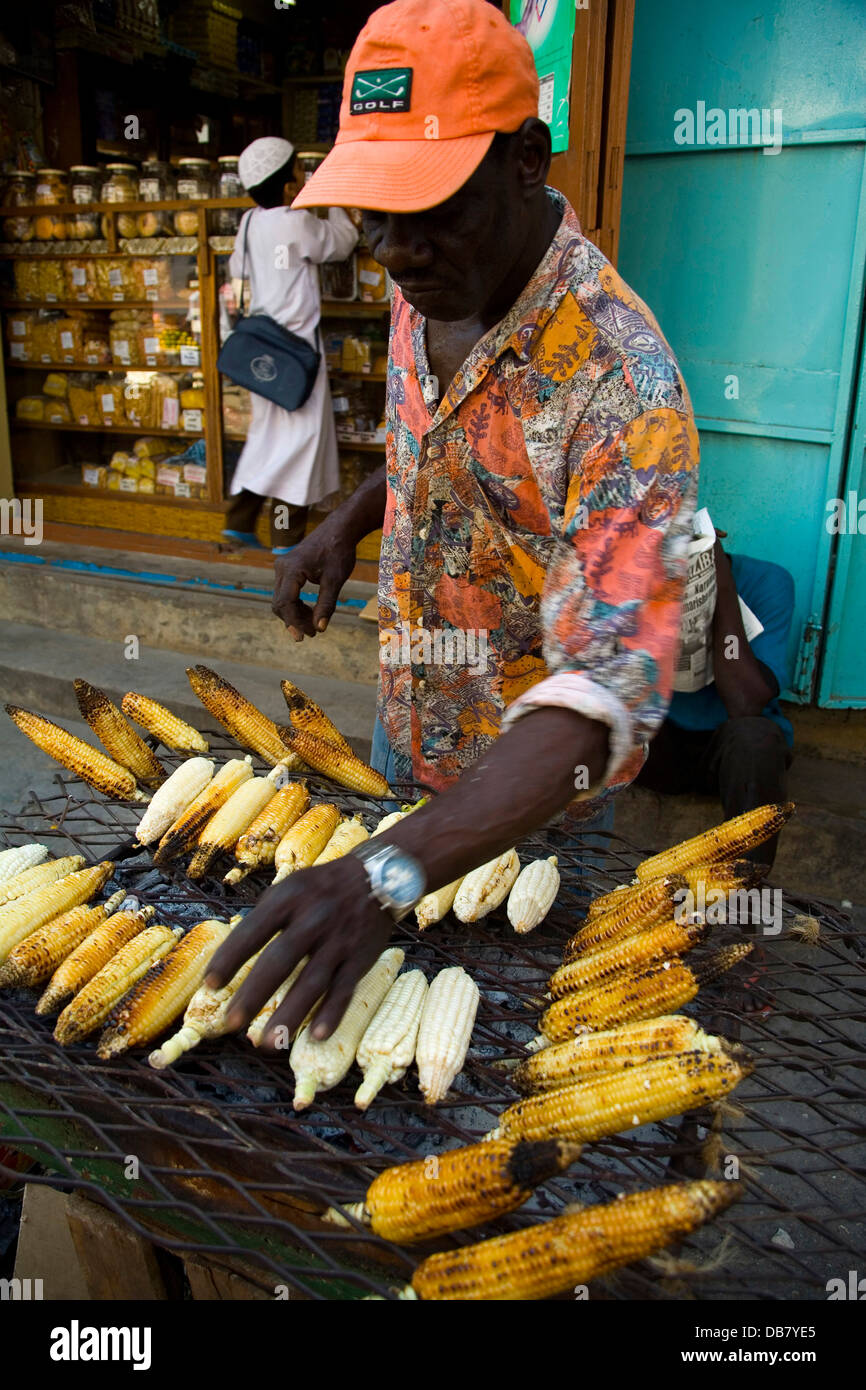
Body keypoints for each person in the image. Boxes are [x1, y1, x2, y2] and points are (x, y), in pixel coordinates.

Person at [207, 0, 699, 1044]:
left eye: (429, 209)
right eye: (375, 215)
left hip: (524, 792)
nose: (396, 250)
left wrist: (386, 870)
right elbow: (435, 444)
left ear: (526, 158)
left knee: (496, 1053)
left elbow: (611, 682)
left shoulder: (623, 382)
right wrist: (345, 523)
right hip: (406, 716)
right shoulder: (427, 282)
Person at [221, 137, 358, 553]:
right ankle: (286, 542)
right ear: (286, 187)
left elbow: (238, 275)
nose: (304, 178)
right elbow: (342, 241)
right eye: (300, 172)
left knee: (266, 440)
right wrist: (334, 192)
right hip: (297, 359)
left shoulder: (248, 224)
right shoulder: (296, 222)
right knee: (299, 450)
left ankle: (237, 524)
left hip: (262, 354)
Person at [636, 538, 795, 866]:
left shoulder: (770, 581)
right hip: (660, 742)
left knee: (757, 738)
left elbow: (745, 702)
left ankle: (746, 891)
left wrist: (721, 586)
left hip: (731, 752)